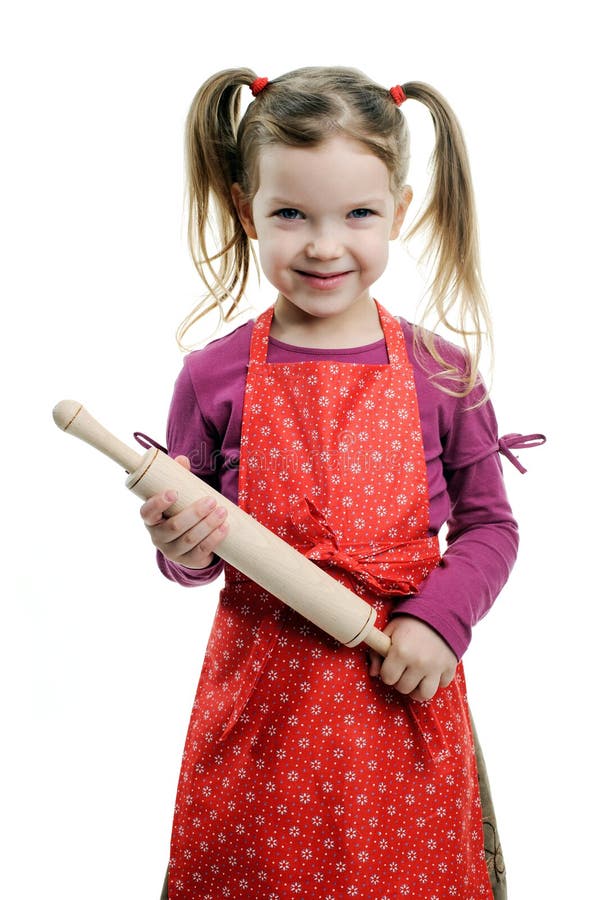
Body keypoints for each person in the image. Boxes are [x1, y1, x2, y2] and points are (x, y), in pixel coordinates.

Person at [141, 67, 542, 899]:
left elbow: (489, 527)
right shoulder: (213, 377)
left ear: (400, 209)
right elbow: (197, 562)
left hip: (399, 687)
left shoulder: (440, 371)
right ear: (245, 208)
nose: (324, 245)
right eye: (290, 214)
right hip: (261, 707)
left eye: (357, 214)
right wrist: (177, 546)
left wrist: (440, 621)